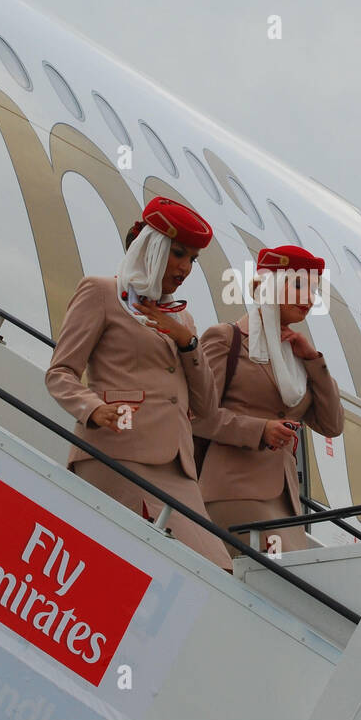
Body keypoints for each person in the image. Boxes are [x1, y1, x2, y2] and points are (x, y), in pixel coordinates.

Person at [45, 197, 231, 571]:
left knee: (217, 569)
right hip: (117, 452)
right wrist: (93, 408)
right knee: (115, 570)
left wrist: (186, 342)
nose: (185, 268)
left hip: (176, 468)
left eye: (193, 259)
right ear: (152, 248)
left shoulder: (185, 321)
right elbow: (60, 373)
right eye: (178, 253)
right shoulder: (101, 293)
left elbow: (208, 408)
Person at [193, 246, 345, 556]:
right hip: (234, 490)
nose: (309, 299)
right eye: (300, 286)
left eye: (314, 290)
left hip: (284, 499)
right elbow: (198, 415)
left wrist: (314, 360)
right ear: (273, 285)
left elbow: (332, 424)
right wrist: (259, 430)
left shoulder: (298, 357)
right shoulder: (226, 338)